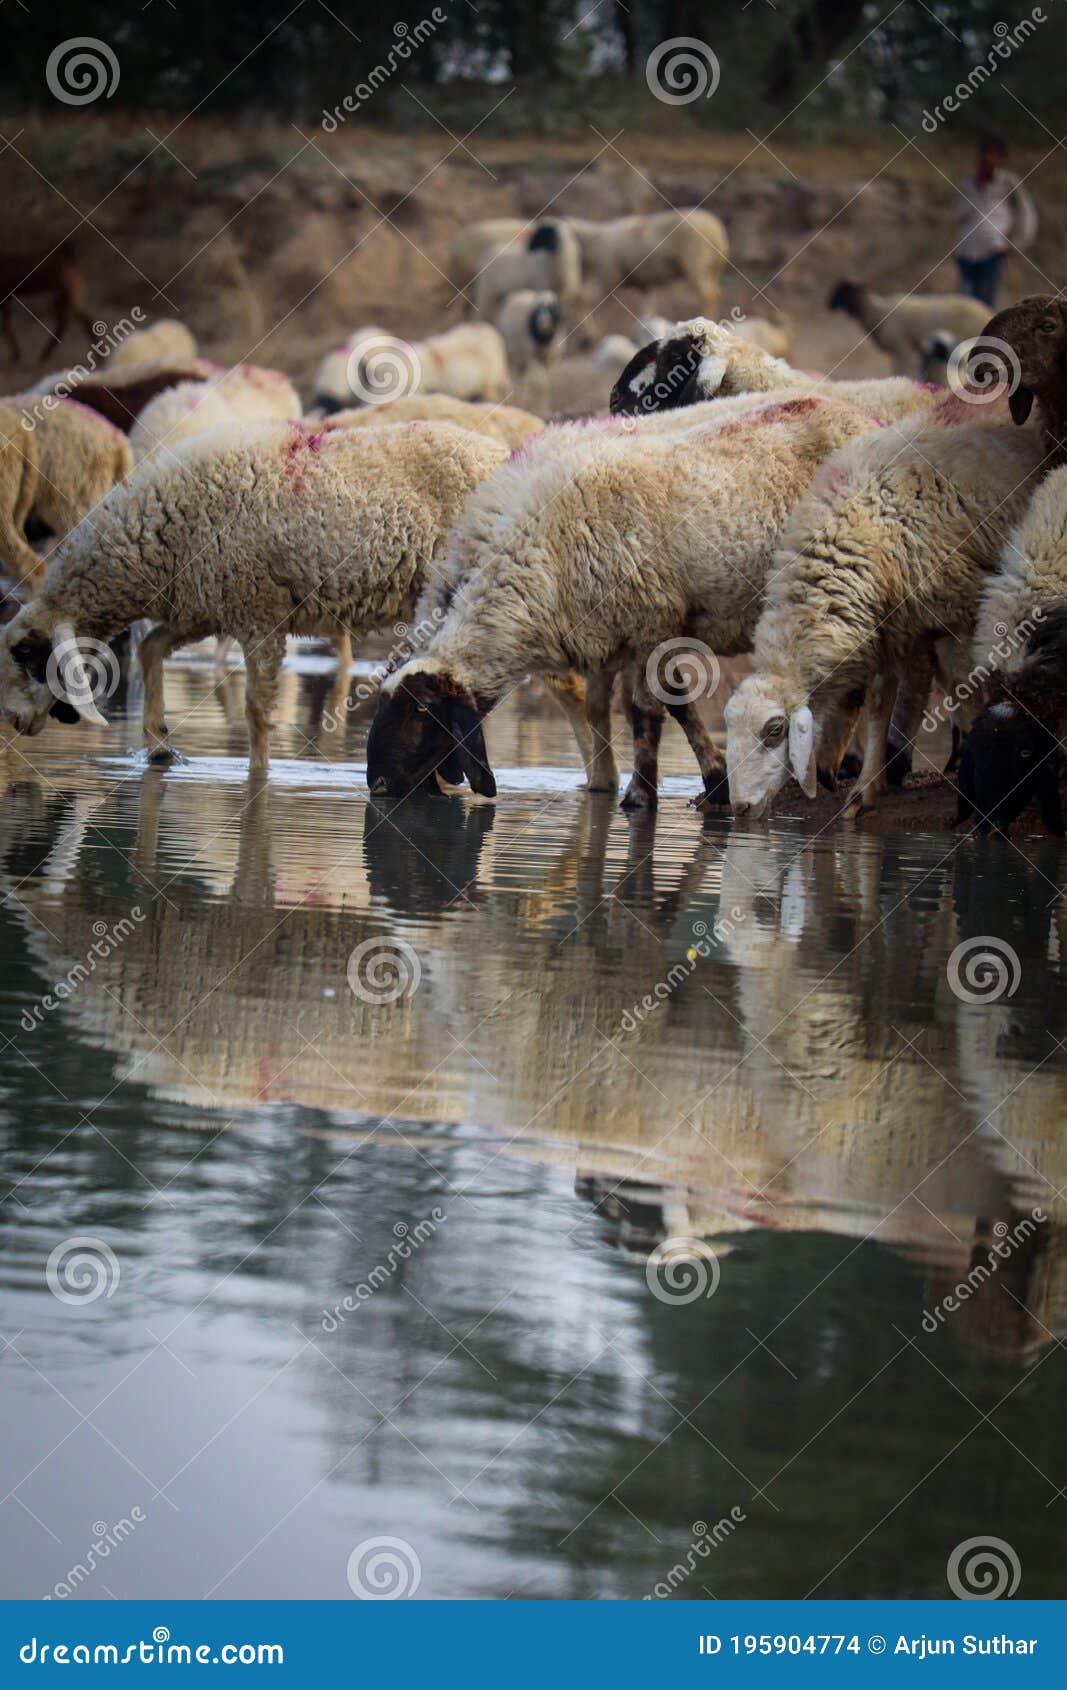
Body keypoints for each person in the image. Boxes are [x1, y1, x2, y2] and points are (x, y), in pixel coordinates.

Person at [955, 136, 1037, 309]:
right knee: (963, 304)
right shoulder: (969, 181)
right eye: (986, 153)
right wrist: (979, 192)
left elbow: (1027, 213)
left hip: (992, 251)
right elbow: (958, 215)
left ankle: (985, 336)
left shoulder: (1008, 183)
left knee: (984, 305)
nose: (988, 158)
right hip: (966, 251)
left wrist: (1018, 244)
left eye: (994, 154)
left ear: (1002, 159)